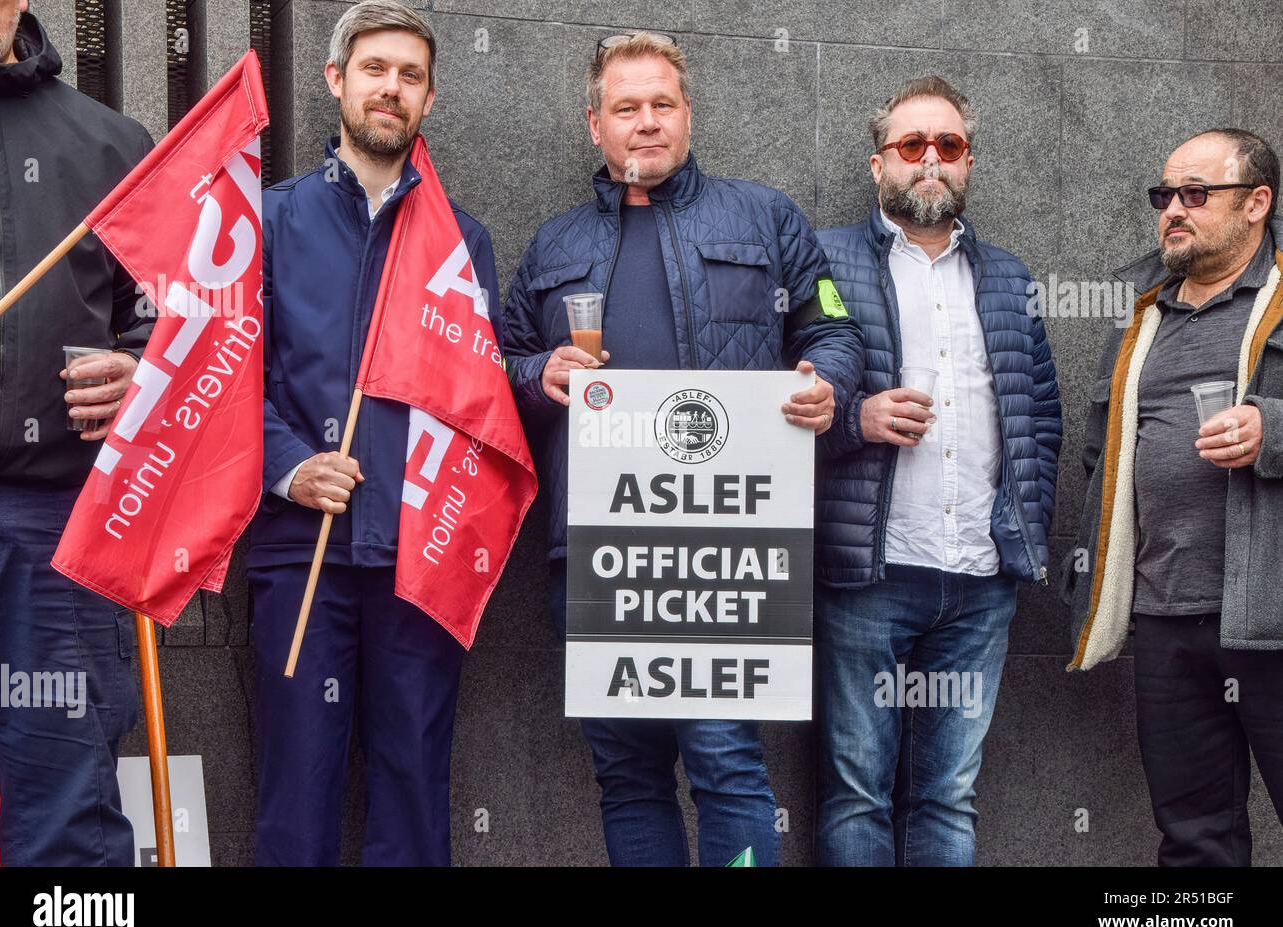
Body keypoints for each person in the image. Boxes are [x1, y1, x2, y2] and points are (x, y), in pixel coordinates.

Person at [502, 31, 863, 867]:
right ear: (595, 124)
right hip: (595, 545)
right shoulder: (553, 246)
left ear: (687, 114)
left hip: (727, 541)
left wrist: (825, 378)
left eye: (663, 103)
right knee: (627, 773)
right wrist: (535, 370)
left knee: (728, 763)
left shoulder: (765, 217)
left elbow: (831, 324)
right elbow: (498, 363)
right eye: (626, 107)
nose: (647, 122)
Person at [253, 0, 499, 866]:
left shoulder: (461, 241)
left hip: (418, 561)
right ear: (336, 82)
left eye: (410, 76)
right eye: (374, 70)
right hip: (299, 552)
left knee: (413, 788)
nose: (390, 88)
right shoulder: (269, 221)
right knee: (296, 790)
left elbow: (478, 406)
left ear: (428, 99)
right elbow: (227, 376)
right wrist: (289, 469)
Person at [815, 76, 1061, 866]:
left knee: (949, 794)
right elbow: (773, 403)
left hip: (980, 578)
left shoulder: (1010, 277)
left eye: (948, 146)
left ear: (968, 163)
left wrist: (1023, 523)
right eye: (911, 145)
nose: (930, 160)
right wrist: (857, 420)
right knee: (856, 790)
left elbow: (1042, 414)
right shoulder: (824, 259)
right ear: (877, 162)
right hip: (867, 573)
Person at [1064, 128, 1283, 866]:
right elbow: (1104, 452)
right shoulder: (1143, 313)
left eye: (1196, 195)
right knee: (1193, 839)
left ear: (1258, 203)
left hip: (1271, 616)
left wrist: (1273, 429)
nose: (1173, 211)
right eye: (1166, 196)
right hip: (1165, 617)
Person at [0, 1, 155, 865]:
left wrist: (141, 369)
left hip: (48, 532)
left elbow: (180, 320)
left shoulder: (113, 146)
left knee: (68, 820)